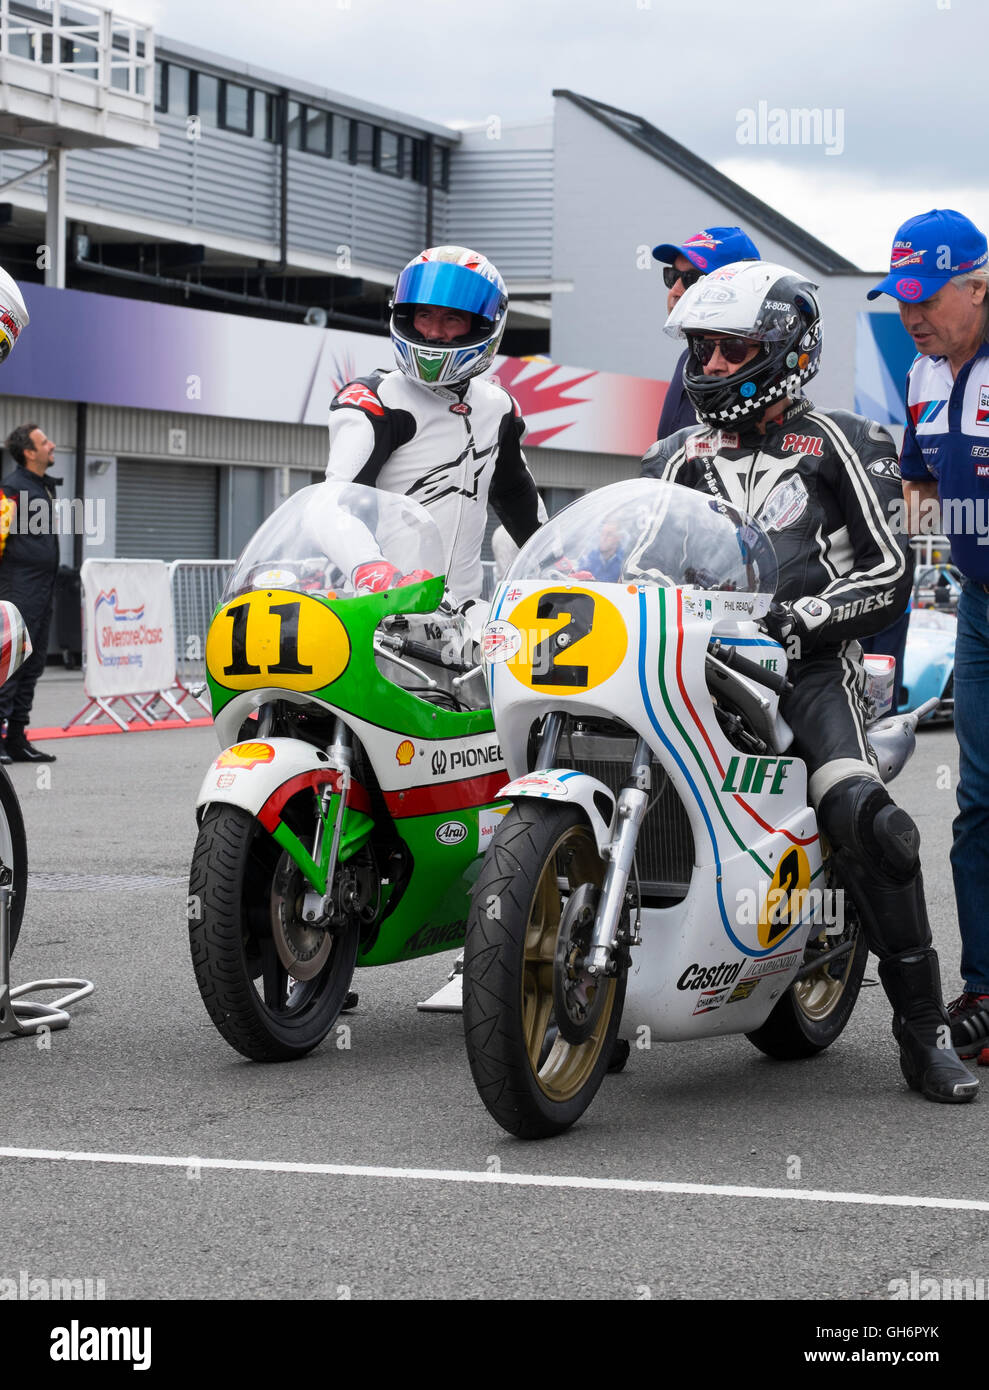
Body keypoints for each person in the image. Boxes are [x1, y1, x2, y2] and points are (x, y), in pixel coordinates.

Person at [641, 257, 977, 1103]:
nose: (711, 365)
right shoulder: (673, 456)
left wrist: (806, 621)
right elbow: (621, 556)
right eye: (702, 349)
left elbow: (891, 571)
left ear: (786, 351)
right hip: (679, 667)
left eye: (730, 349)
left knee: (869, 823)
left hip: (806, 673)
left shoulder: (841, 442)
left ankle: (922, 1034)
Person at [326, 244, 541, 1012]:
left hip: (465, 623)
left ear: (483, 329)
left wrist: (554, 566)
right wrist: (369, 572)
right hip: (374, 611)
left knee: (514, 761)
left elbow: (519, 504)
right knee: (353, 767)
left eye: (452, 320)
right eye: (422, 316)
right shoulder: (370, 403)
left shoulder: (497, 408)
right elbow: (334, 501)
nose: (434, 330)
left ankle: (486, 944)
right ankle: (319, 929)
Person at [868, 209, 989, 1066]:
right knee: (978, 805)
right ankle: (984, 988)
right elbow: (916, 479)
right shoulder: (920, 374)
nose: (911, 314)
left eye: (925, 295)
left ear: (978, 285)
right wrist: (936, 553)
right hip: (980, 606)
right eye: (898, 296)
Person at [652, 226, 761, 440]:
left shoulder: (767, 371)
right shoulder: (690, 358)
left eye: (692, 279)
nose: (674, 291)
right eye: (671, 275)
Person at [0, 421, 59, 764]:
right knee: (10, 665)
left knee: (33, 664)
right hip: (19, 590)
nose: (52, 446)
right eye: (45, 441)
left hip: (42, 588)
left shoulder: (42, 486)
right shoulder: (11, 488)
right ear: (29, 452)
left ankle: (17, 738)